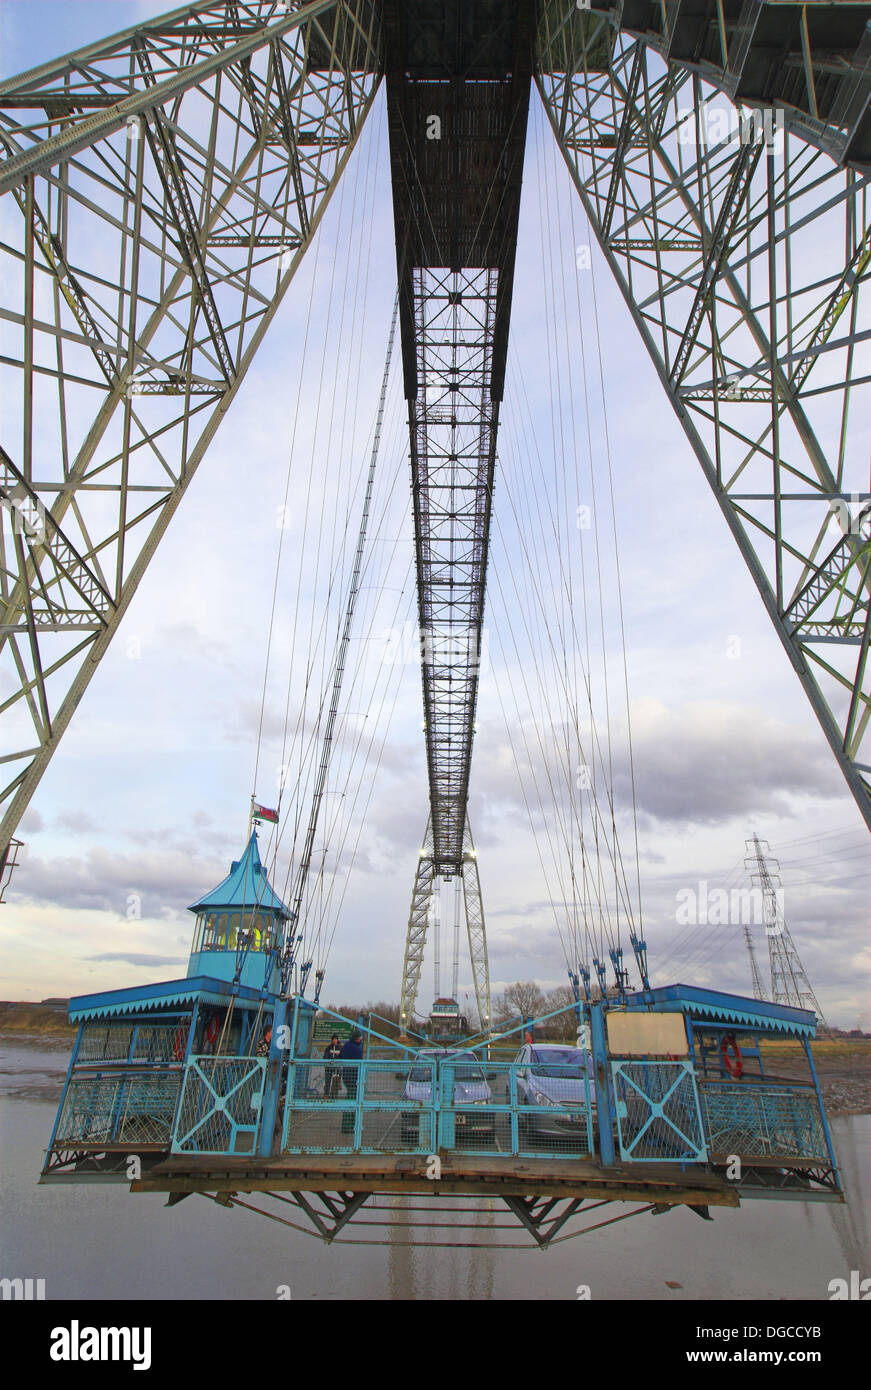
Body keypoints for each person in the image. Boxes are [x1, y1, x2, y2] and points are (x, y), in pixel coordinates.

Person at [339, 1030, 363, 1133]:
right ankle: (348, 1126)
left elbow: (340, 1057)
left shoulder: (346, 1046)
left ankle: (351, 1125)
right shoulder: (356, 1049)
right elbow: (360, 1063)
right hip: (353, 1078)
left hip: (347, 1076)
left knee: (352, 1100)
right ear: (356, 1038)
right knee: (352, 1101)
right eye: (360, 1038)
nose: (361, 1039)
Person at [323, 1033, 342, 1098]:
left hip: (336, 1068)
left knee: (335, 1082)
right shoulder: (328, 1048)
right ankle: (326, 1095)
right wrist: (327, 1062)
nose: (334, 1041)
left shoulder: (340, 1048)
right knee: (327, 1081)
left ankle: (334, 1096)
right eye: (333, 1039)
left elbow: (342, 1057)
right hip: (329, 1067)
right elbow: (325, 1056)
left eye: (335, 1039)